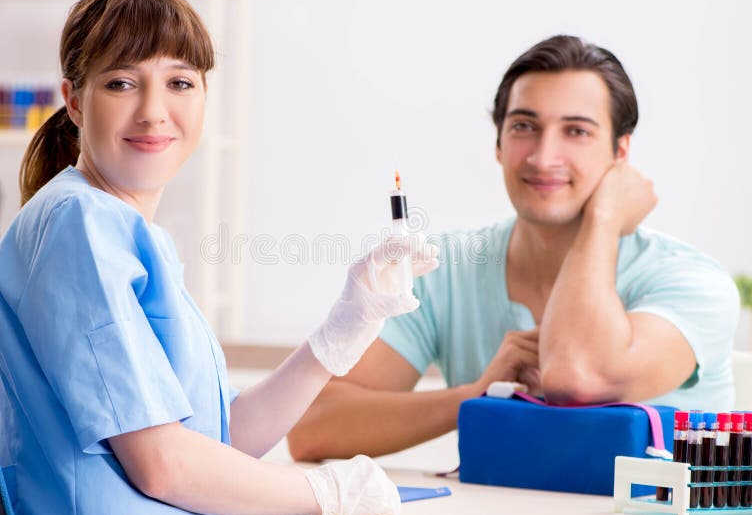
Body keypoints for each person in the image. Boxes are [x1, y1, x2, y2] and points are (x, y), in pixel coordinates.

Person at [0, 0, 438, 515]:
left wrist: (341, 333)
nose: (154, 111)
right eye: (122, 83)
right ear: (74, 102)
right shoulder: (79, 224)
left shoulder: (128, 234)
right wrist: (327, 495)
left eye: (179, 82)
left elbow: (220, 442)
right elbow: (163, 466)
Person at [287, 34, 740, 462]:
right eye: (524, 126)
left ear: (621, 152)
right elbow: (310, 428)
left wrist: (603, 219)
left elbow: (577, 377)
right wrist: (477, 397)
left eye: (577, 131)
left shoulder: (693, 283)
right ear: (499, 144)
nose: (543, 157)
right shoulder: (445, 271)